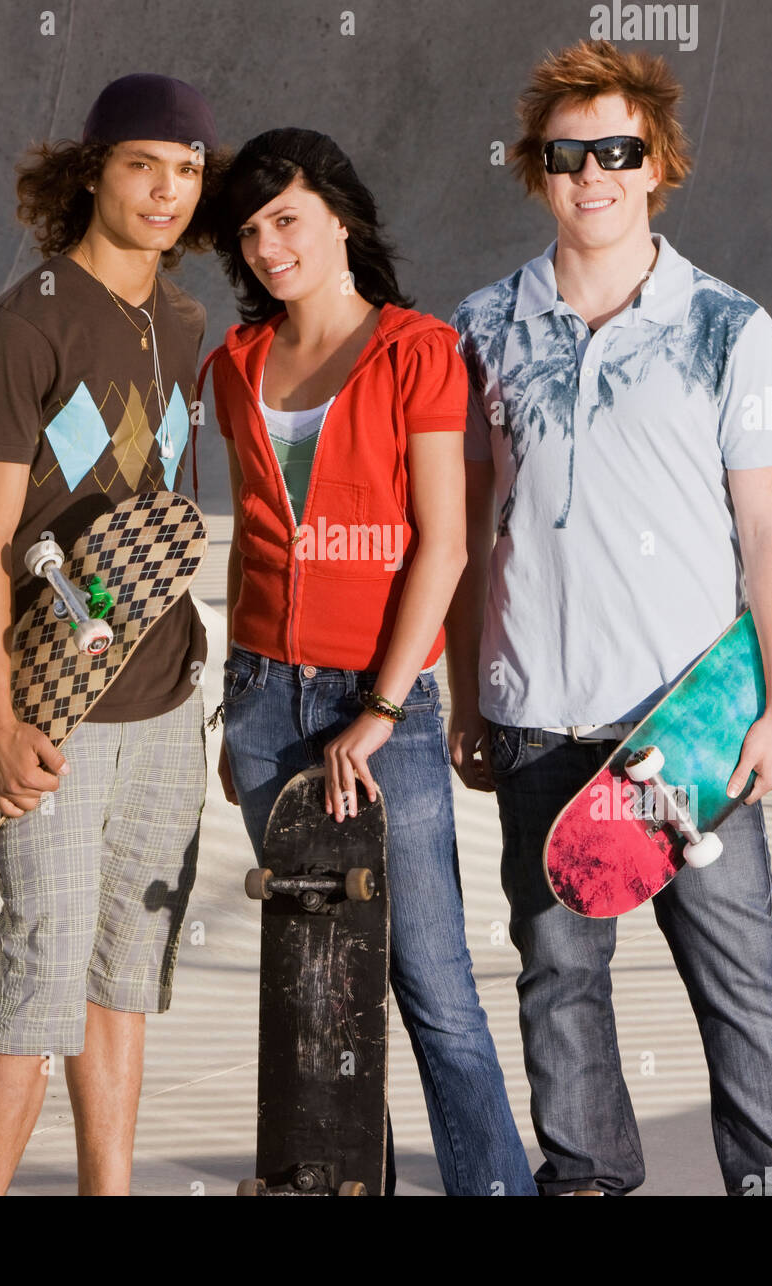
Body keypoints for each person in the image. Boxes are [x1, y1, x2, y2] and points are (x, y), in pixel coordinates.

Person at [446, 39, 772, 1196]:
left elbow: (771, 538)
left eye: (617, 150)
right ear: (537, 172)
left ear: (656, 162)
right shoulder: (482, 326)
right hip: (536, 716)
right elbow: (466, 531)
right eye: (567, 156)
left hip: (688, 724)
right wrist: (469, 697)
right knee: (556, 980)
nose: (593, 174)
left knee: (739, 977)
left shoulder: (727, 326)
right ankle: (586, 1179)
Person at [199, 128, 535, 1196]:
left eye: (286, 218)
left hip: (376, 708)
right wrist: (234, 709)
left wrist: (382, 709)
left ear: (339, 217)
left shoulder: (418, 352)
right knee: (317, 987)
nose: (268, 246)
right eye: (248, 232)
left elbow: (445, 539)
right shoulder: (235, 366)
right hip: (263, 703)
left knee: (428, 981)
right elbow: (250, 546)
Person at [0, 73, 226, 1194]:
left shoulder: (183, 319)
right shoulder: (23, 325)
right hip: (54, 716)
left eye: (189, 171)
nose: (167, 191)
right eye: (143, 165)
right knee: (38, 973)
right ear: (94, 171)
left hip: (164, 702)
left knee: (124, 975)